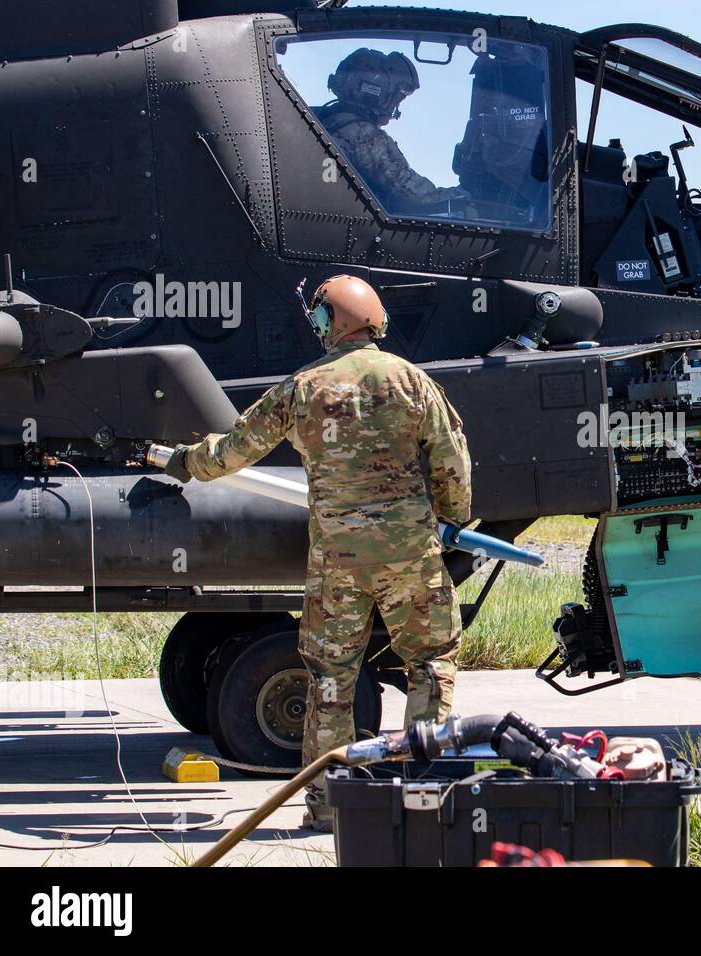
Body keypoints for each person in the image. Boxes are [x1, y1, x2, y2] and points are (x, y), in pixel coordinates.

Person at [164, 275, 472, 830]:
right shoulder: (411, 381)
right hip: (410, 553)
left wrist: (183, 462)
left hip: (338, 562)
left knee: (331, 679)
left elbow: (234, 451)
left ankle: (328, 809)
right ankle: (428, 800)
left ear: (333, 323)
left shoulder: (303, 387)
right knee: (430, 666)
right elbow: (453, 460)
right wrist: (447, 519)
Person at [315, 48, 469, 214]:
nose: (396, 106)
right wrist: (465, 198)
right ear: (375, 91)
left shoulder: (324, 119)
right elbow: (414, 193)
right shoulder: (364, 135)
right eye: (398, 98)